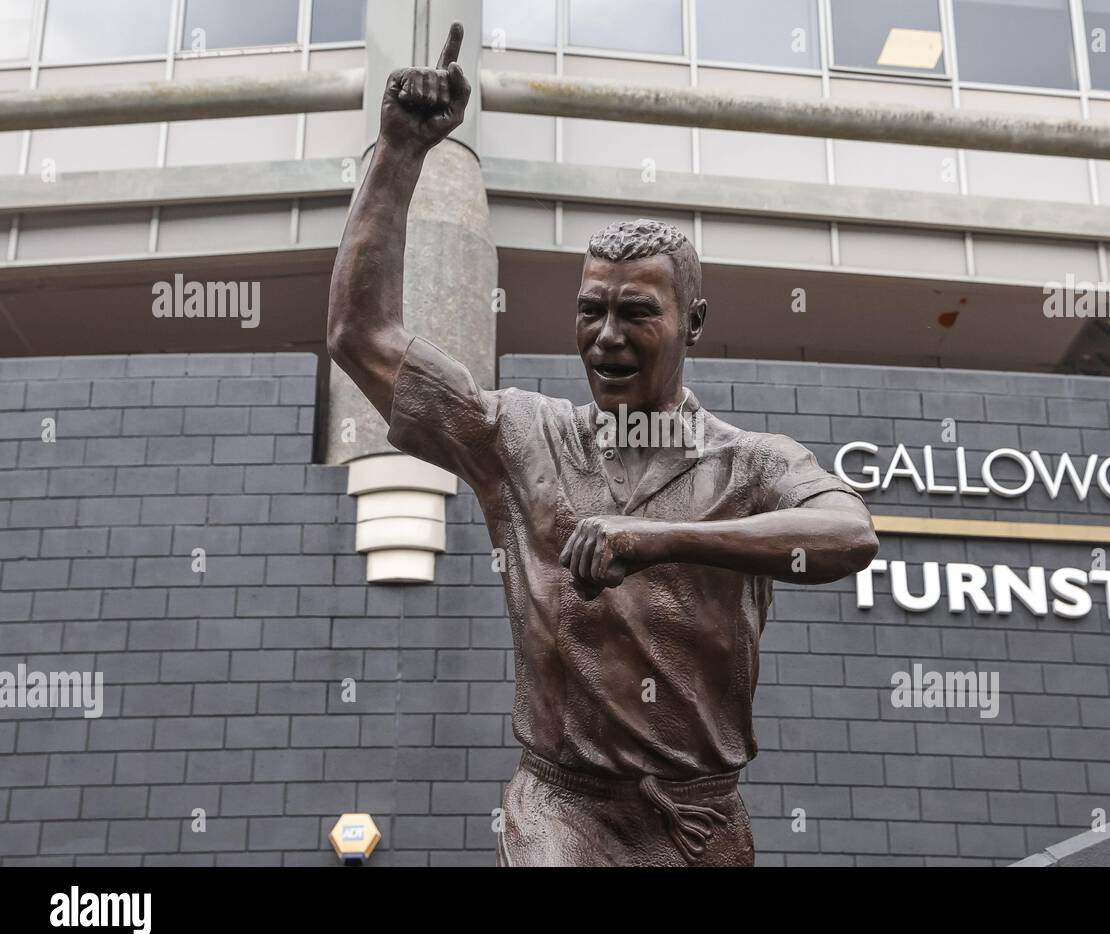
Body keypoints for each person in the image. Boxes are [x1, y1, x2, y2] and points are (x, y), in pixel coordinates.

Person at [327, 22, 879, 866]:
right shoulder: (518, 435)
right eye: (591, 310)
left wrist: (652, 541)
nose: (607, 335)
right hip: (563, 803)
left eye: (636, 312)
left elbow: (848, 536)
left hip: (699, 819)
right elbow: (361, 336)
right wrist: (400, 151)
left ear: (691, 324)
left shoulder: (753, 464)